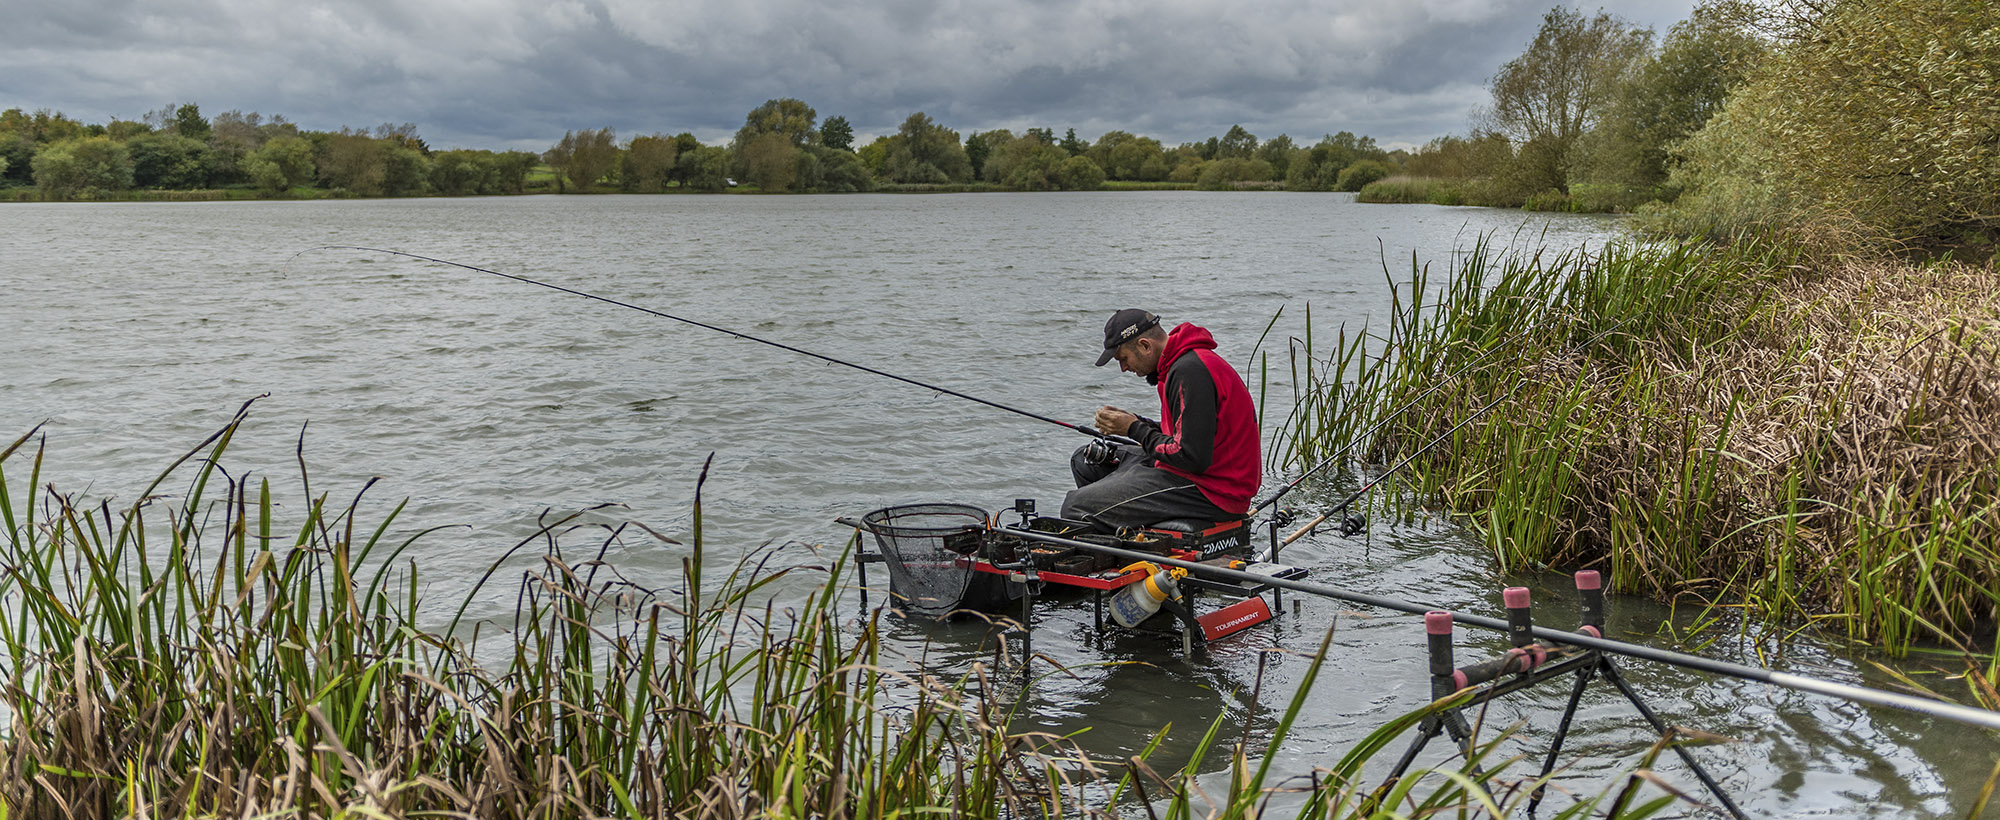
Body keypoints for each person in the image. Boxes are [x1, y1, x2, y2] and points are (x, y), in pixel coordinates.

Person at [1062, 309, 1262, 531]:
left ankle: (1118, 546)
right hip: (1195, 473)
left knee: (1076, 506)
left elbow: (1191, 457)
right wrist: (1135, 422)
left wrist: (1134, 429)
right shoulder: (1179, 365)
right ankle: (1124, 528)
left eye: (1123, 359)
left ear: (1145, 346)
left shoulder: (1190, 371)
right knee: (1085, 460)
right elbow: (1184, 432)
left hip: (1213, 491)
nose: (1123, 368)